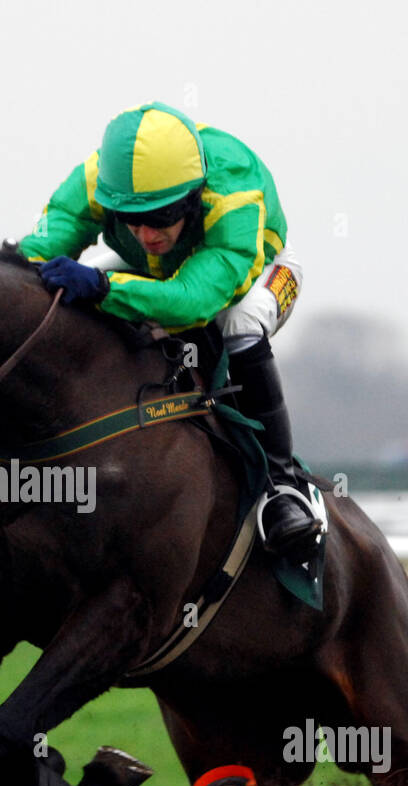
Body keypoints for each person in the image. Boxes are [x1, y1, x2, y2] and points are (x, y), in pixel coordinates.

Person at [18, 101, 321, 559]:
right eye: (131, 219)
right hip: (161, 273)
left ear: (193, 197)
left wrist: (103, 286)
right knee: (59, 296)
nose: (145, 232)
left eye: (160, 216)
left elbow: (196, 303)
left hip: (256, 271)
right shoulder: (97, 180)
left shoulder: (233, 193)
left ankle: (282, 488)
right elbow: (34, 255)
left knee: (238, 321)